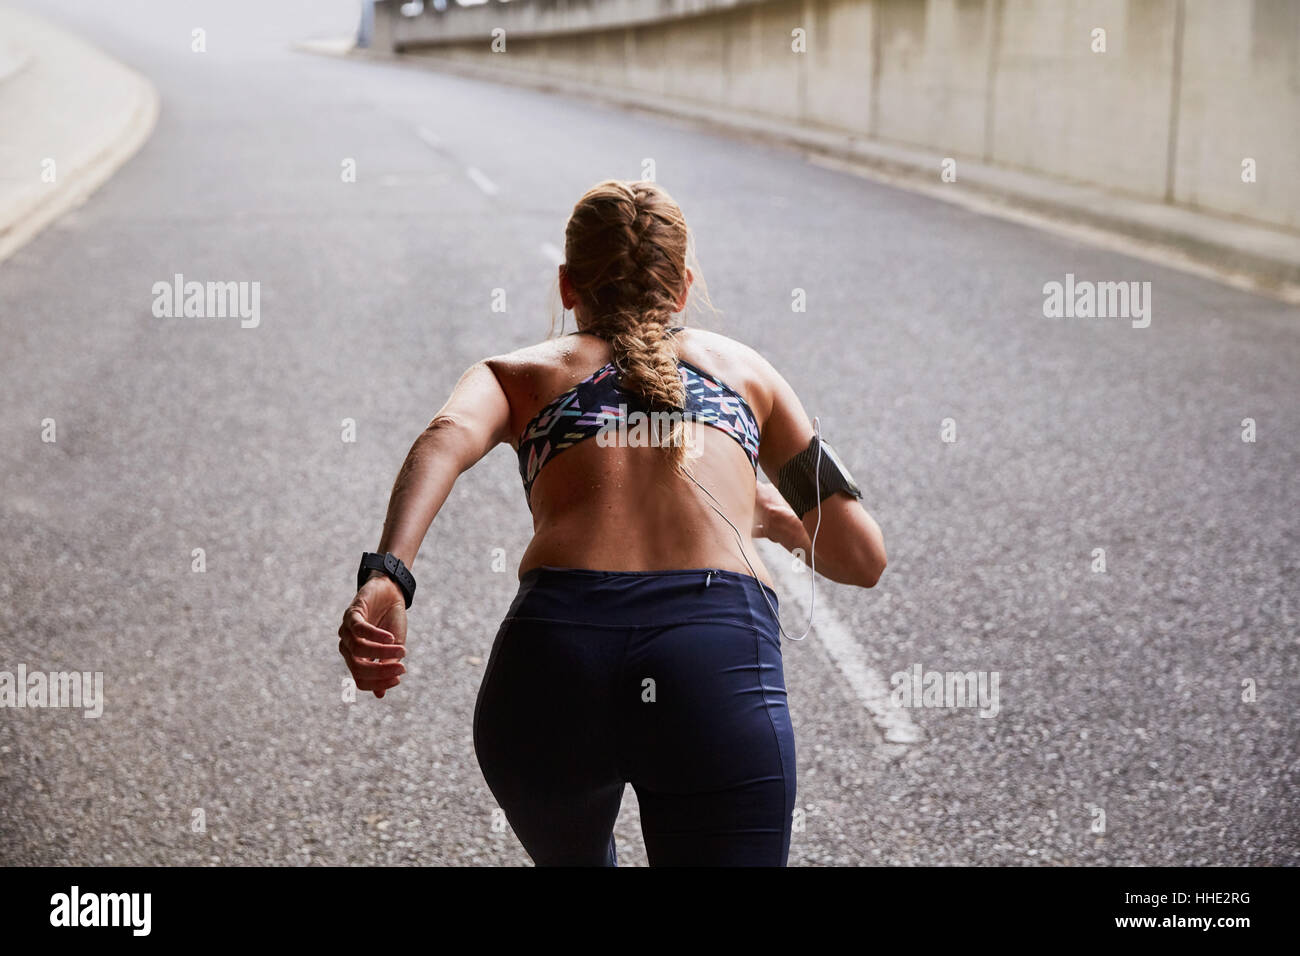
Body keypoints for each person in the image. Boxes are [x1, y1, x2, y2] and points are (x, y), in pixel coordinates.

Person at [337, 180, 886, 866]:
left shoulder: (517, 372)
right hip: (711, 665)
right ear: (683, 287)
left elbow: (446, 434)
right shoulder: (748, 375)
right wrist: (773, 518)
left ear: (568, 286)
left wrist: (389, 574)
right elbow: (863, 558)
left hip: (551, 666)